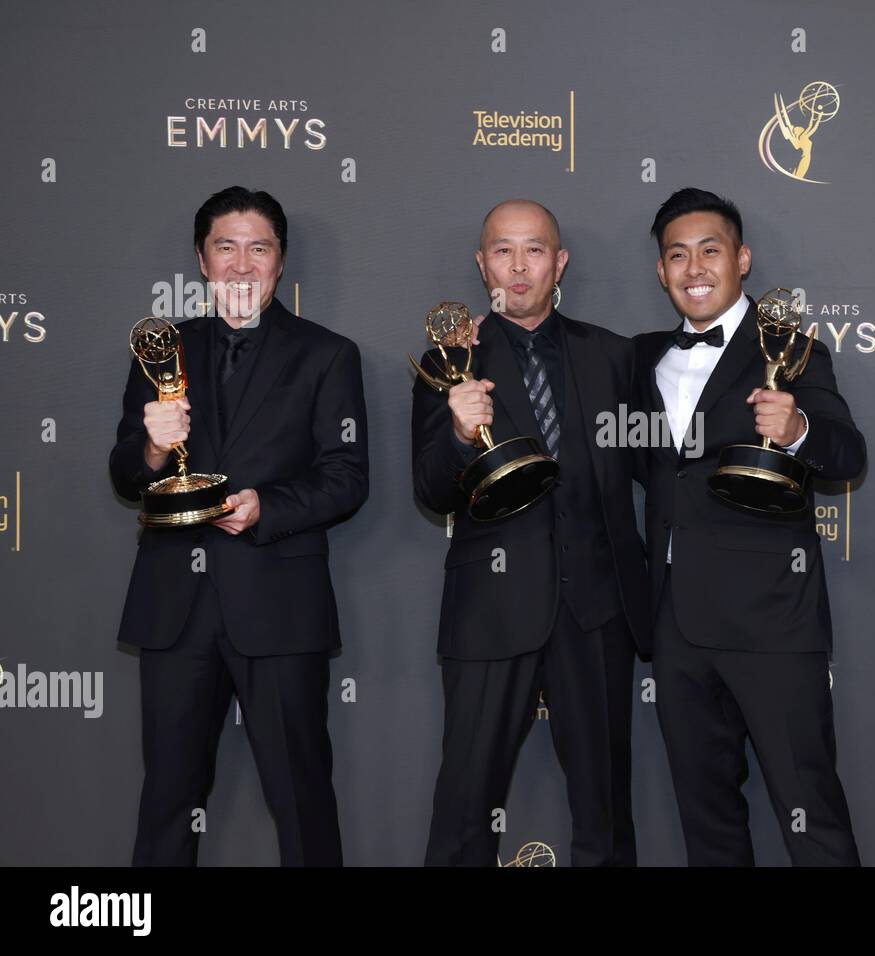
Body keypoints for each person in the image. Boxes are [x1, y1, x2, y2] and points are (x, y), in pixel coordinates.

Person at [109, 185, 369, 866]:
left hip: (279, 606)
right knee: (167, 799)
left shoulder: (327, 355)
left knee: (302, 798)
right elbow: (124, 473)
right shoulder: (159, 351)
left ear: (281, 262)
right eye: (227, 246)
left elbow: (347, 476)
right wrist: (154, 448)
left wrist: (266, 508)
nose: (243, 264)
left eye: (260, 247)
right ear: (202, 258)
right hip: (175, 610)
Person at [633, 187, 865, 865]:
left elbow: (848, 454)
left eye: (710, 250)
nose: (694, 266)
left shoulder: (790, 347)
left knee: (810, 815)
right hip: (675, 624)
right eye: (677, 255)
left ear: (742, 259)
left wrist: (797, 429)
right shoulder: (637, 357)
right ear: (661, 272)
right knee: (706, 824)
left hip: (771, 620)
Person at [413, 199, 649, 866]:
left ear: (560, 262)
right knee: (465, 806)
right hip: (489, 613)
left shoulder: (614, 356)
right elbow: (430, 490)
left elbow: (656, 472)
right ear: (481, 261)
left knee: (605, 811)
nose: (519, 267)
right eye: (503, 250)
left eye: (535, 250)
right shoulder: (447, 359)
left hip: (596, 611)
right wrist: (460, 435)